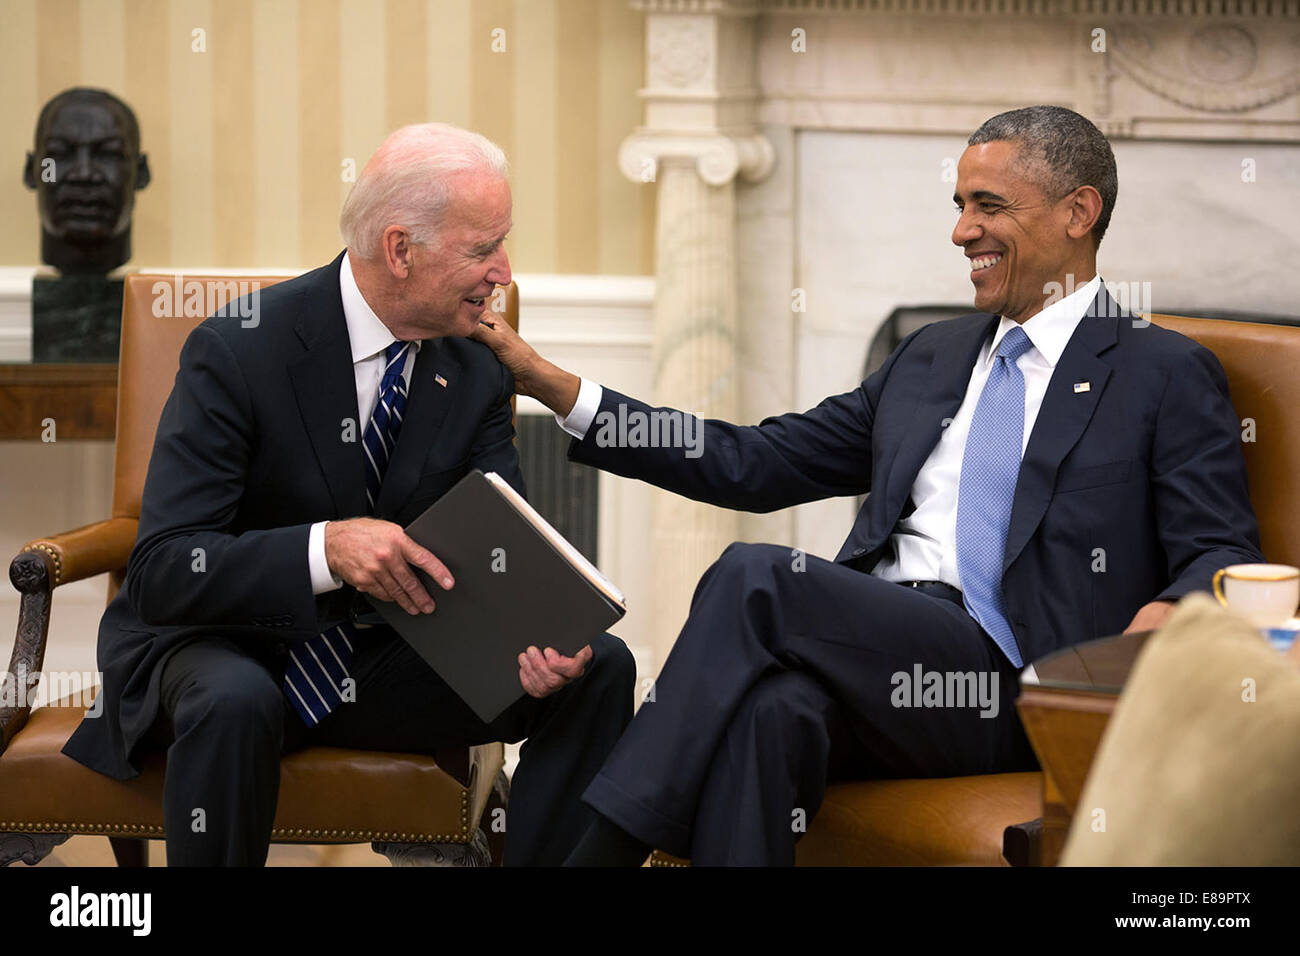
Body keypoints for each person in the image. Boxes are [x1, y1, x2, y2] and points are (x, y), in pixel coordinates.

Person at [469, 105, 1264, 866]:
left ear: (1078, 211)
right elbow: (754, 459)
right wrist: (556, 386)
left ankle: (599, 852)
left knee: (758, 574)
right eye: (958, 206)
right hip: (884, 660)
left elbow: (1221, 554)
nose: (962, 232)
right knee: (772, 712)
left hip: (1017, 690)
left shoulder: (1161, 372)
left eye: (988, 206)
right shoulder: (931, 357)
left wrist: (1162, 620)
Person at [61, 123, 635, 866]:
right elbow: (167, 567)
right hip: (229, 643)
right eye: (482, 248)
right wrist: (324, 549)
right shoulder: (240, 349)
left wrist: (539, 628)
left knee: (600, 670)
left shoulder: (477, 366)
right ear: (401, 250)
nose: (504, 271)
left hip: (380, 657)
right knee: (235, 701)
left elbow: (501, 545)